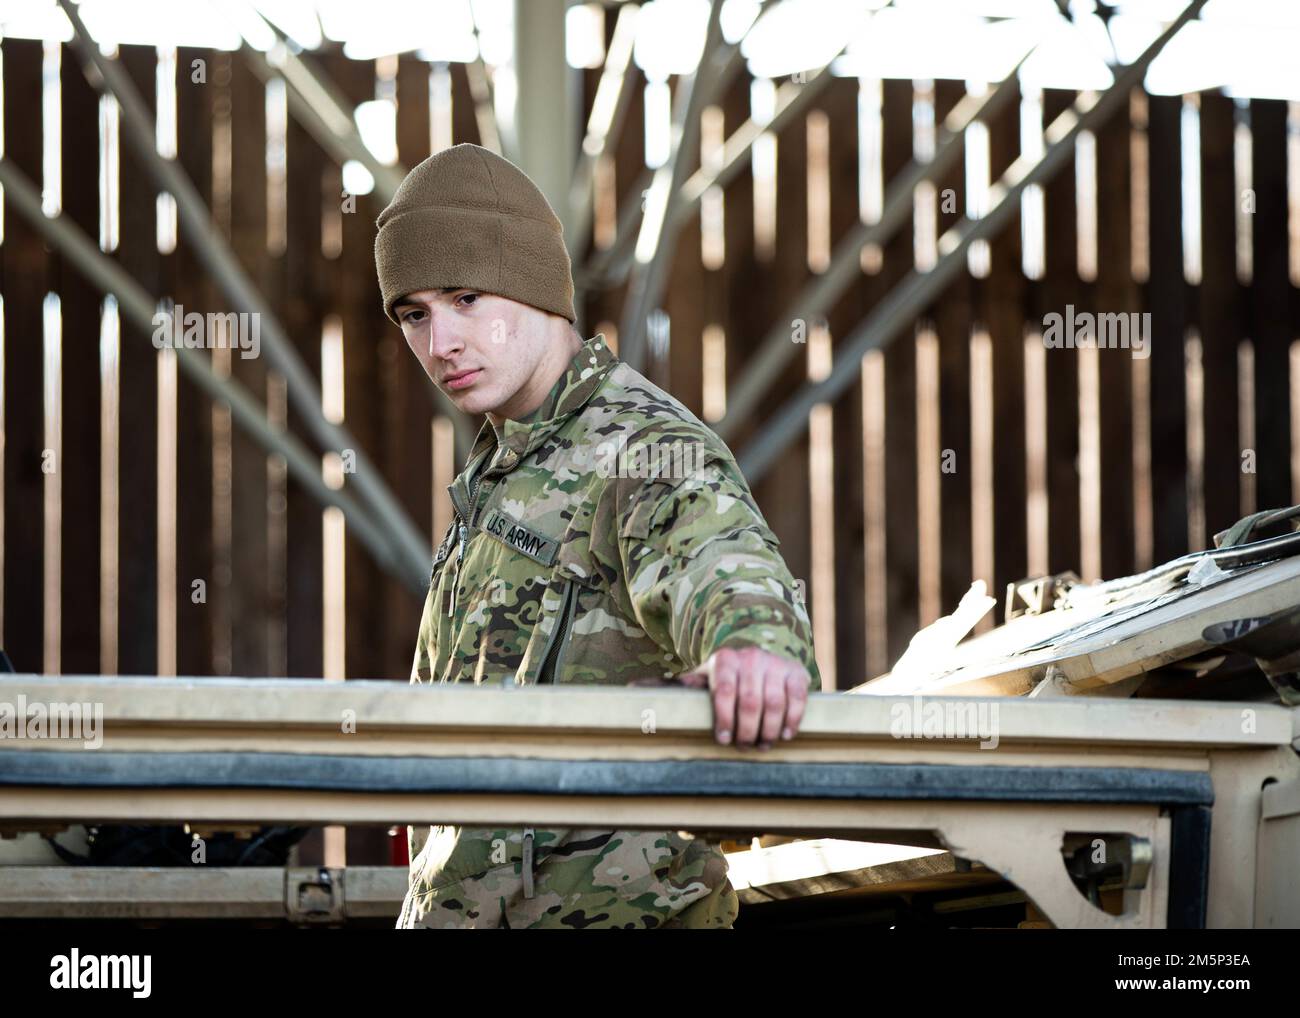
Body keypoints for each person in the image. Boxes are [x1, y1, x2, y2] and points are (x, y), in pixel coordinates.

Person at [374, 142, 820, 929]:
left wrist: (752, 644)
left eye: (467, 298)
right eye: (414, 314)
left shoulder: (637, 443)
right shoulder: (501, 468)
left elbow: (720, 555)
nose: (439, 342)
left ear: (537, 287)